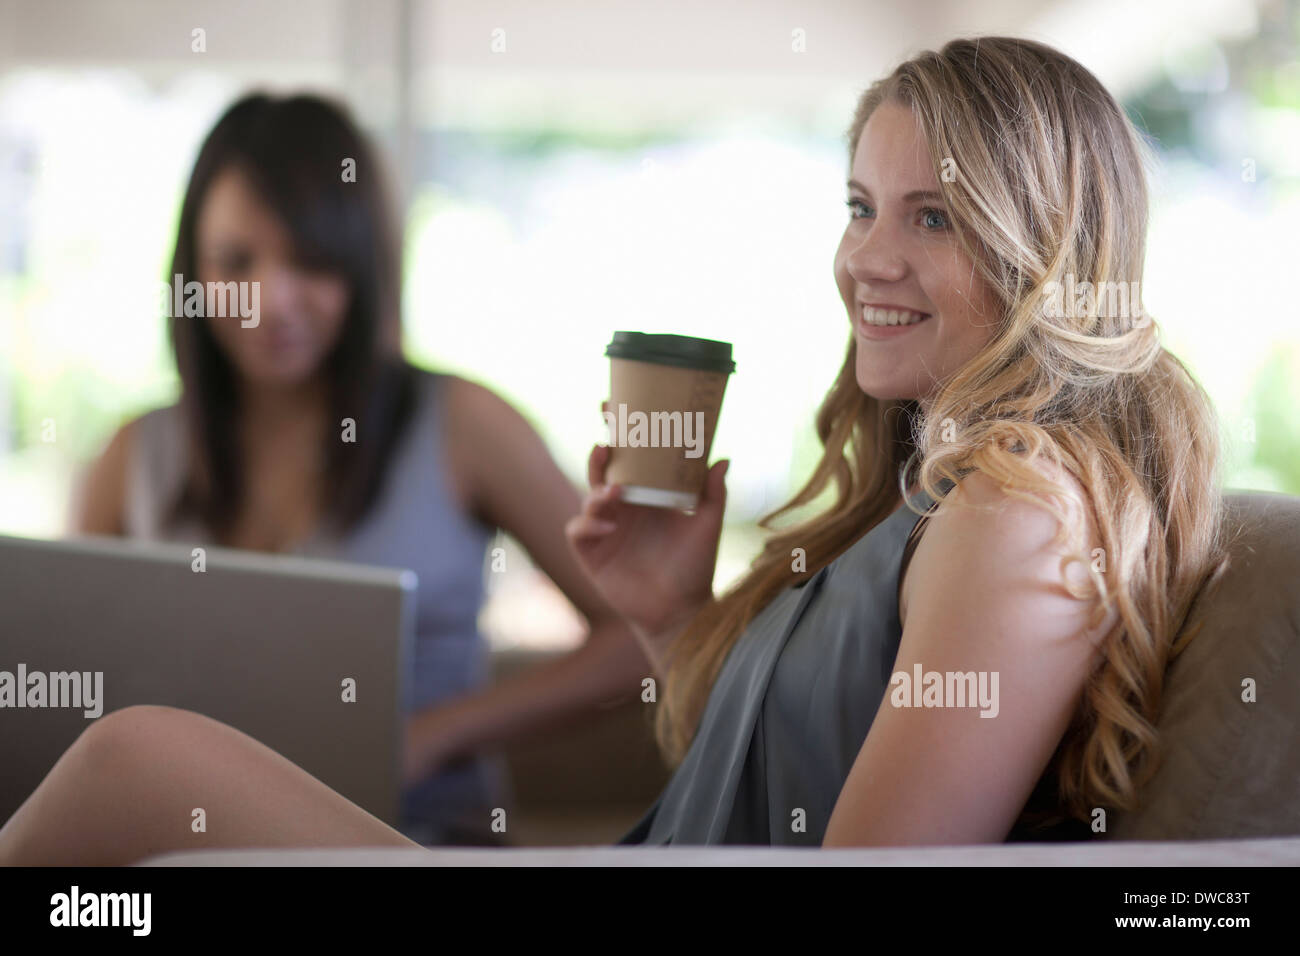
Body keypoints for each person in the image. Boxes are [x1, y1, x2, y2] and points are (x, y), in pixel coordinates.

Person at [0, 36, 1235, 864]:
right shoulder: (945, 497)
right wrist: (670, 615)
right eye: (859, 207)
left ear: (1043, 241)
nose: (867, 258)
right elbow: (763, 797)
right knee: (133, 775)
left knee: (136, 756)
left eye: (934, 217)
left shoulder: (1016, 516)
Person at [61, 93, 649, 846]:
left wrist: (434, 734)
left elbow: (642, 636)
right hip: (191, 852)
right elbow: (69, 682)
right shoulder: (132, 455)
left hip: (411, 838)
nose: (273, 301)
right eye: (237, 261)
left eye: (312, 262)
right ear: (192, 270)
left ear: (362, 267)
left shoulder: (463, 425)